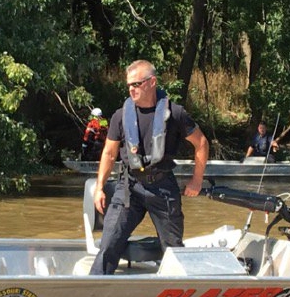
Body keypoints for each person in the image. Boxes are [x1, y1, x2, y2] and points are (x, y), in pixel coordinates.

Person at [89, 60, 209, 275]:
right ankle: (93, 292)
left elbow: (201, 143)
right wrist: (99, 187)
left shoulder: (176, 114)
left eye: (136, 84)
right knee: (108, 245)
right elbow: (108, 153)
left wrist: (197, 180)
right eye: (129, 85)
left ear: (152, 82)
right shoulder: (120, 116)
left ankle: (176, 296)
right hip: (129, 187)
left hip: (162, 187)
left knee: (173, 250)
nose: (131, 89)